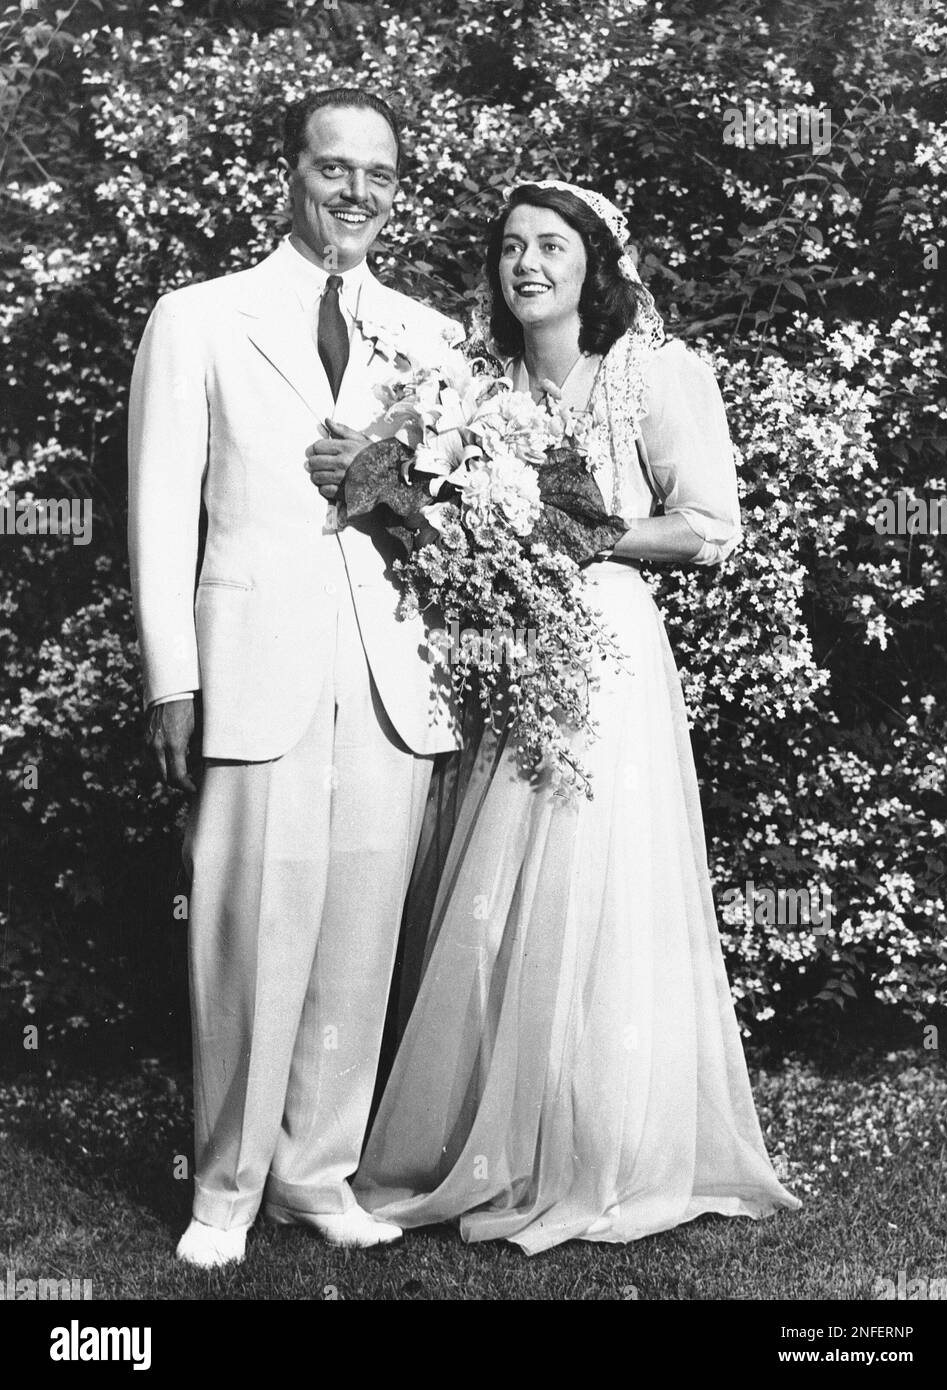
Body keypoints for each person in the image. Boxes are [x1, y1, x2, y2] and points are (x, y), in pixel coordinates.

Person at [354, 181, 801, 1254]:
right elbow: (422, 498)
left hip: (604, 643)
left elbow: (708, 526)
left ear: (596, 265)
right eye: (510, 247)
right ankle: (489, 1133)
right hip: (505, 646)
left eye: (552, 246)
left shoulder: (652, 372)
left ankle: (604, 1140)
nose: (528, 265)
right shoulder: (473, 380)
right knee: (493, 887)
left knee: (594, 879)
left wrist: (584, 537)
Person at [128, 87, 459, 1267]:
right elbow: (163, 511)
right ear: (292, 173)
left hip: (388, 670)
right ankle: (223, 1189)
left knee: (359, 931)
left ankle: (317, 1174)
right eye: (334, 169)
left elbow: (459, 522)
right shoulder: (201, 317)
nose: (356, 193)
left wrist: (388, 482)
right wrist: (175, 679)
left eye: (378, 173)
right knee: (243, 927)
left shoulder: (430, 337)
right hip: (252, 668)